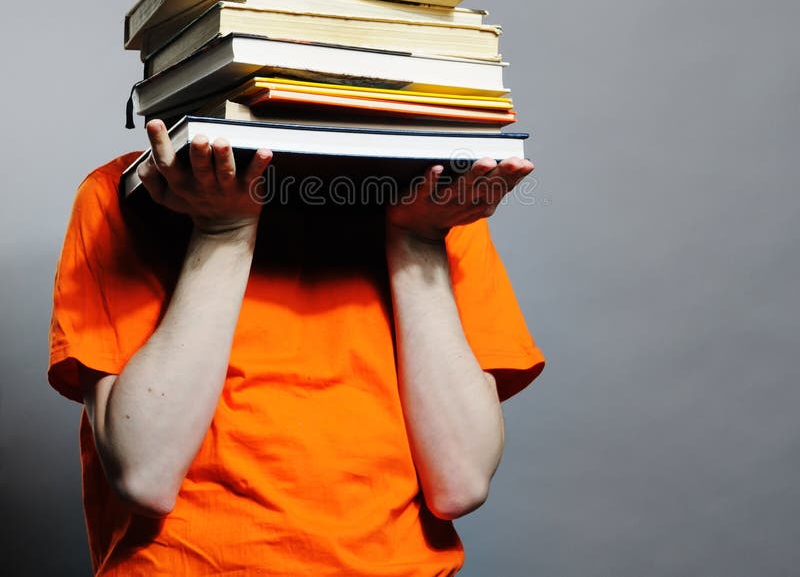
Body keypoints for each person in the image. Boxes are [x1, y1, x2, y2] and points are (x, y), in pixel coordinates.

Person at [49, 119, 545, 576]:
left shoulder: (441, 205)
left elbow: (461, 483)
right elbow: (144, 474)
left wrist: (419, 237)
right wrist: (222, 232)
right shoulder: (121, 195)